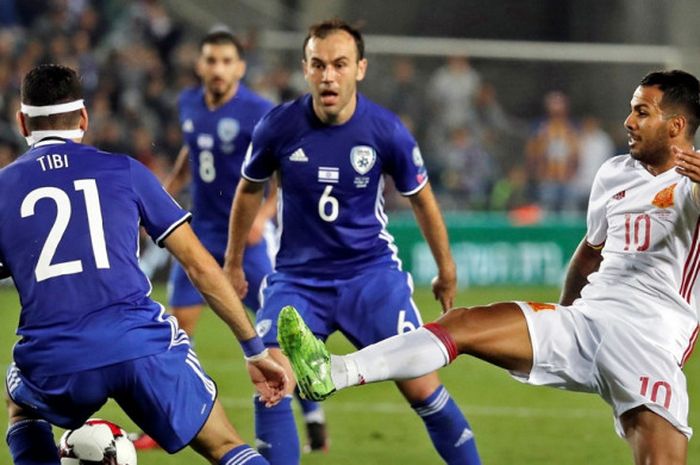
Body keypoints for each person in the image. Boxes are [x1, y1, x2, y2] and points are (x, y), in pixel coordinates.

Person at [279, 69, 700, 465]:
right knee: (462, 323)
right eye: (631, 107)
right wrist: (564, 316)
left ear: (676, 126)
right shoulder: (615, 173)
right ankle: (334, 371)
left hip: (649, 343)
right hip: (587, 323)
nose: (628, 120)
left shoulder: (692, 185)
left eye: (642, 112)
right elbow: (589, 253)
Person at [224, 18, 481, 465]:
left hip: (371, 278)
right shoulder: (278, 126)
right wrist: (231, 263)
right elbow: (248, 188)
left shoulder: (386, 130)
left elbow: (422, 198)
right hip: (298, 281)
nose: (328, 76)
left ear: (359, 69)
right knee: (270, 377)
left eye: (340, 64)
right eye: (318, 64)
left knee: (422, 384)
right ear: (305, 69)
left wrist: (446, 267)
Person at [2, 64, 286, 465]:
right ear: (84, 118)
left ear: (21, 122)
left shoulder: (3, 188)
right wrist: (254, 350)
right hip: (139, 345)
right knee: (224, 445)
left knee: (22, 407)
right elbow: (199, 265)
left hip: (57, 356)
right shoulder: (125, 170)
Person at [130, 29, 327, 454]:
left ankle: (314, 413)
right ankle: (175, 416)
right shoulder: (188, 104)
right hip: (201, 234)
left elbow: (287, 169)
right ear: (201, 65)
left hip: (248, 237)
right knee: (179, 326)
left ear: (239, 67)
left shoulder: (259, 110)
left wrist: (266, 213)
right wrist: (160, 196)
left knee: (281, 325)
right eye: (210, 60)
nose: (217, 69)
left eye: (226, 61)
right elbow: (189, 155)